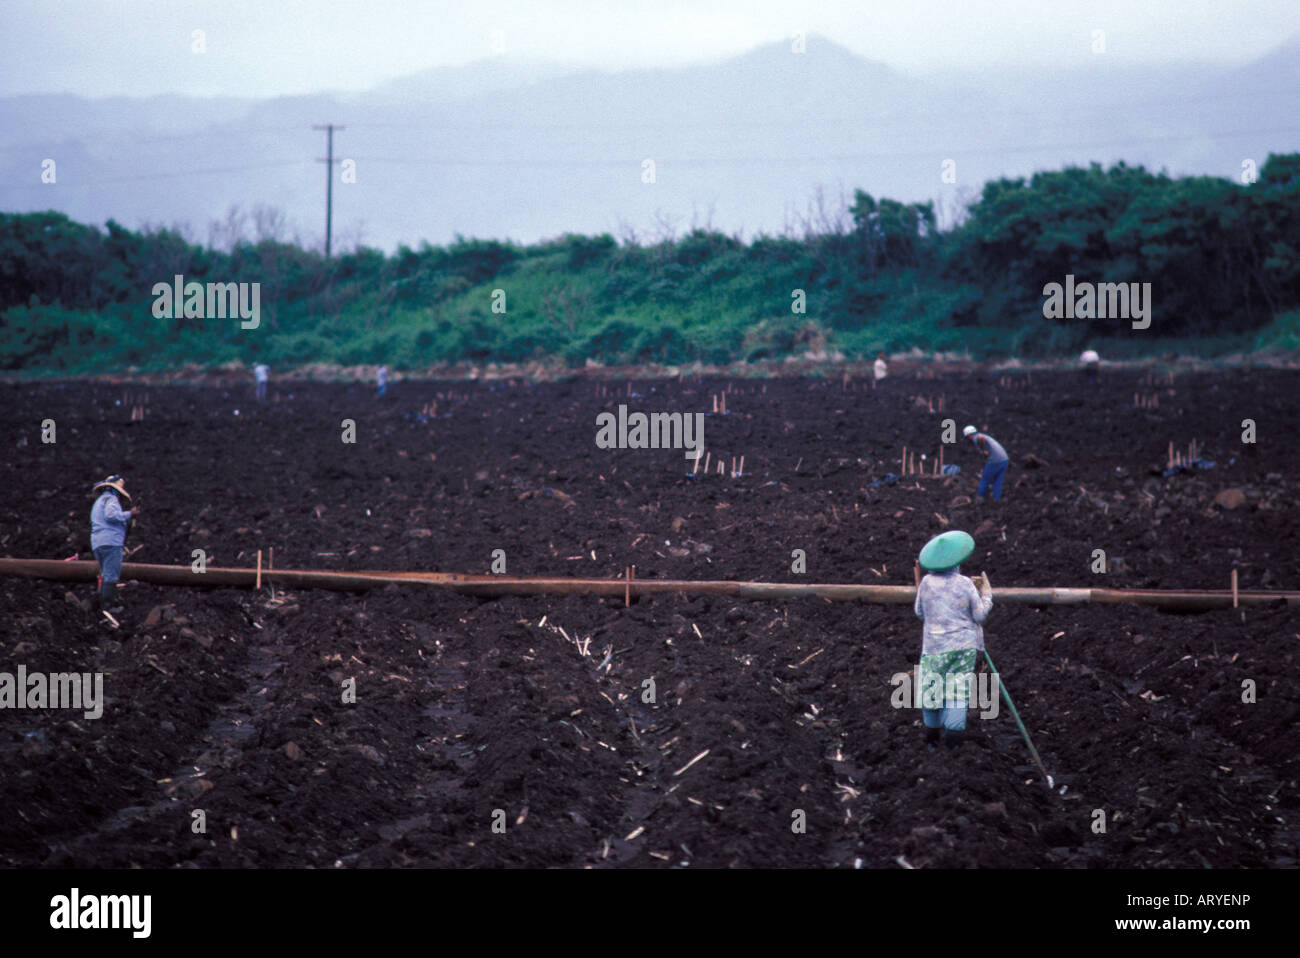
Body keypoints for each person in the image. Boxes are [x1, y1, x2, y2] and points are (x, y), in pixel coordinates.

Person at [913, 530, 993, 749]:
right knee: (957, 690)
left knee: (932, 690)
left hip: (933, 647)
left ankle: (931, 740)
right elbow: (979, 615)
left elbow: (919, 613)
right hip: (963, 647)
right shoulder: (965, 583)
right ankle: (953, 742)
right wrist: (986, 594)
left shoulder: (927, 583)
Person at [90, 475, 139, 614]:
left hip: (97, 542)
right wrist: (130, 514)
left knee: (105, 573)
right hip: (111, 542)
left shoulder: (99, 501)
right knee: (111, 575)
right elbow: (111, 515)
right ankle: (108, 608)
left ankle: (101, 603)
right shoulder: (111, 499)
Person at [963, 424, 1009, 502]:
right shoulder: (982, 435)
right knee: (998, 480)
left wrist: (984, 450)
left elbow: (981, 439)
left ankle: (980, 497)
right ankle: (997, 499)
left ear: (969, 435)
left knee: (985, 479)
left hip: (995, 460)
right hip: (1004, 459)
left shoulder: (976, 437)